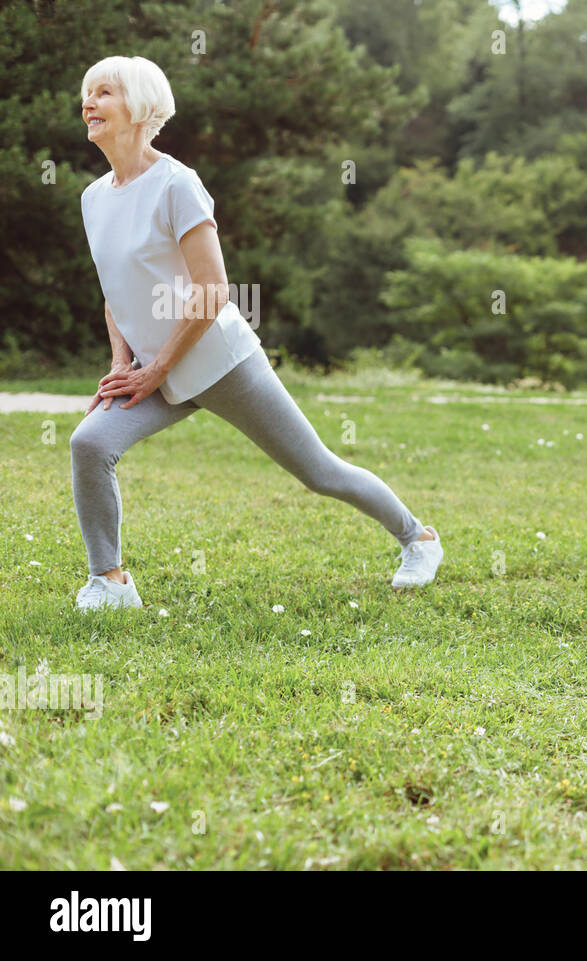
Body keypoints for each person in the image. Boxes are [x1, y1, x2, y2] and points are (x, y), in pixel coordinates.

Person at [70, 56, 443, 610]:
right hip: (152, 370)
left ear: (143, 107)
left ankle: (419, 538)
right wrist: (124, 362)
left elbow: (212, 290)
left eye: (105, 92)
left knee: (319, 471)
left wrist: (159, 369)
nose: (89, 102)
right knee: (89, 442)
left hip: (218, 361)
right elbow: (116, 293)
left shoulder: (177, 184)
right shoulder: (94, 198)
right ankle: (111, 582)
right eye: (87, 94)